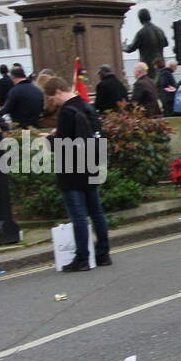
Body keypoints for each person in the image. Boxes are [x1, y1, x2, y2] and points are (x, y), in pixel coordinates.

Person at [42, 75, 112, 270]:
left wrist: (48, 139)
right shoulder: (87, 107)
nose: (52, 103)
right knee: (97, 212)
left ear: (57, 92)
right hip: (92, 165)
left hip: (72, 170)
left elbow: (63, 145)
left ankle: (82, 259)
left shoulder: (66, 112)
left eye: (51, 98)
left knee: (79, 216)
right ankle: (103, 254)